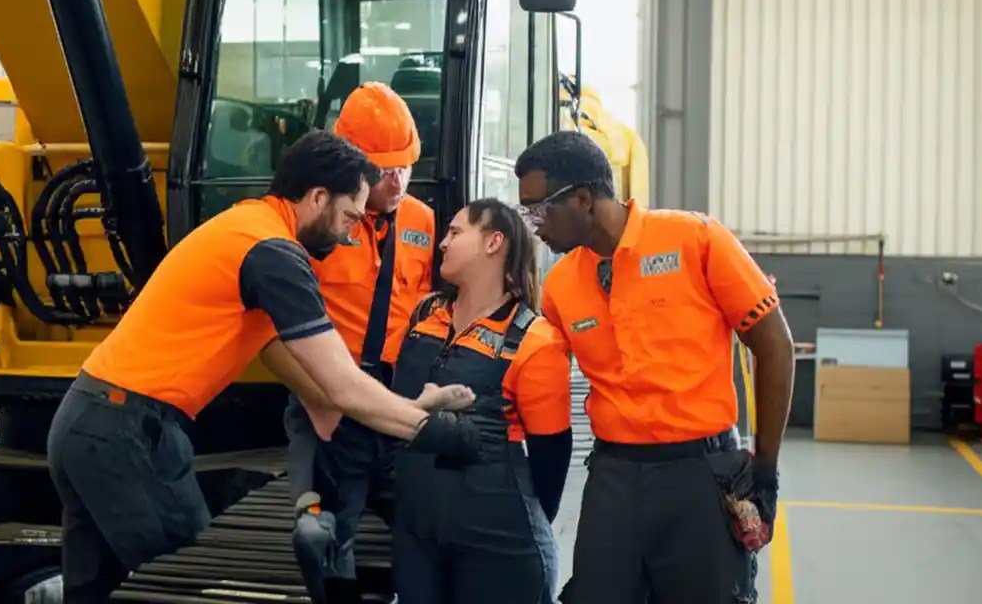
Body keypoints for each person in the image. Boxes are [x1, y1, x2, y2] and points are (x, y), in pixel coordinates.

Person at [45, 130, 480, 604]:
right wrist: (431, 428)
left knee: (94, 591)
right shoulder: (274, 253)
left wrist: (337, 406)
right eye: (350, 216)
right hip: (129, 433)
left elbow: (281, 353)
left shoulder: (245, 227)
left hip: (84, 421)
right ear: (317, 197)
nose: (352, 231)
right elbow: (340, 382)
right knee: (194, 582)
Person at [514, 130, 795, 604]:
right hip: (613, 478)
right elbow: (537, 366)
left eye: (539, 210)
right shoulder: (561, 284)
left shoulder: (695, 240)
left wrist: (765, 466)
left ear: (583, 199)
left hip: (700, 476)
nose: (533, 224)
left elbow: (775, 346)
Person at [267, 83, 436, 603]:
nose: (397, 180)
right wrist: (320, 398)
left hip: (394, 400)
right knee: (328, 536)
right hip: (332, 404)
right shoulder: (315, 227)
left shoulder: (424, 222)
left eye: (405, 165)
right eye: (384, 170)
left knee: (420, 523)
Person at [389, 199, 573, 604]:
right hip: (417, 536)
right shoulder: (424, 315)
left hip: (499, 543)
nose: (442, 243)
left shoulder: (535, 340)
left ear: (494, 242)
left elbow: (552, 454)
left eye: (455, 233)